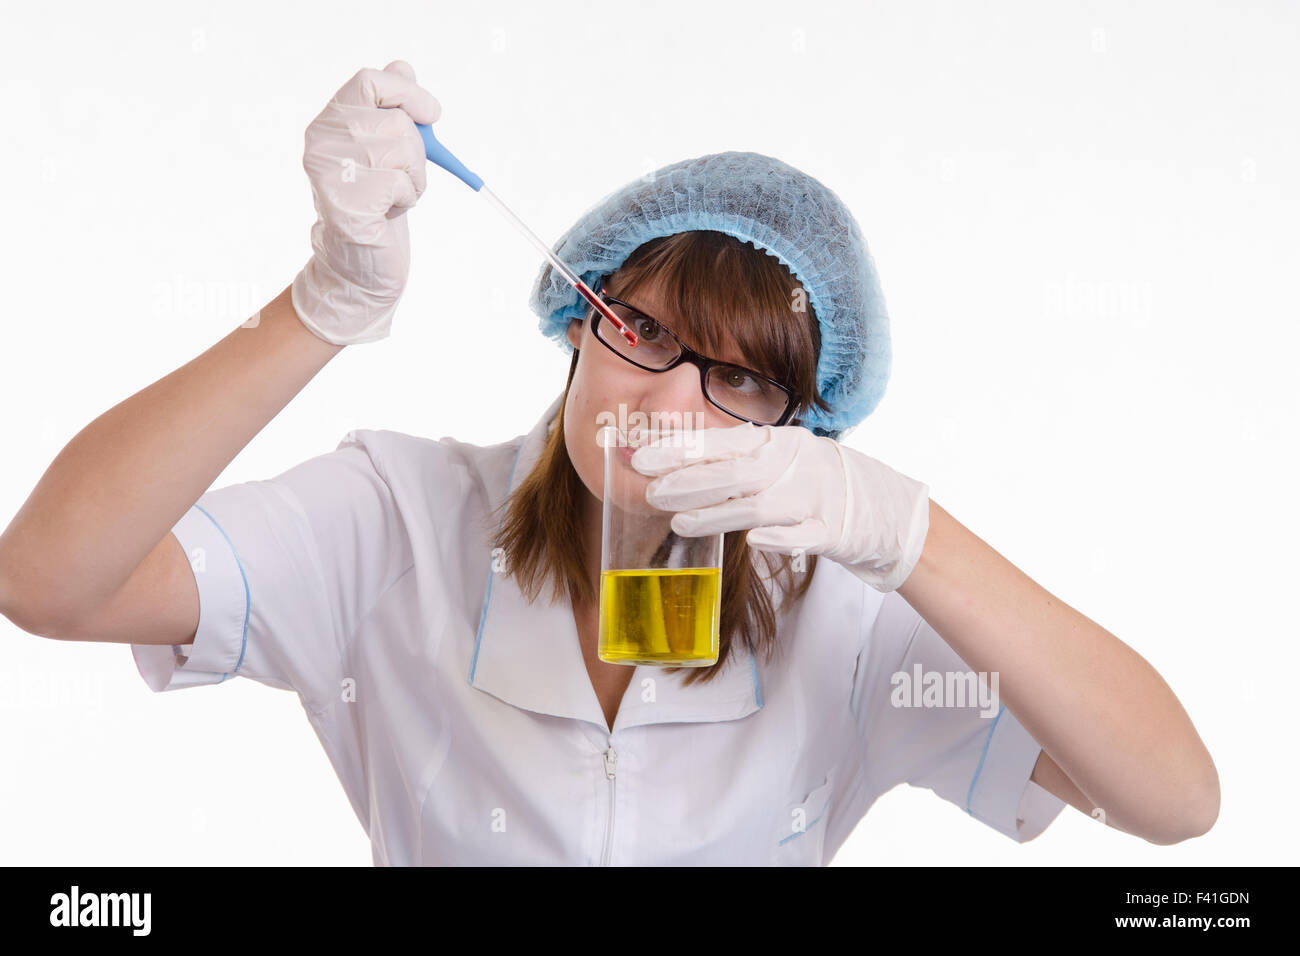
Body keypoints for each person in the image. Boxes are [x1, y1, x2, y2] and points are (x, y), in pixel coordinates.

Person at [0, 61, 1219, 866]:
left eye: (740, 376)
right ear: (577, 321)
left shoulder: (844, 612)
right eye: (642, 331)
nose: (673, 400)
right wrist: (323, 305)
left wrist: (909, 537)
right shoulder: (396, 522)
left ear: (804, 419)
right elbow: (50, 579)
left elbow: (1171, 798)